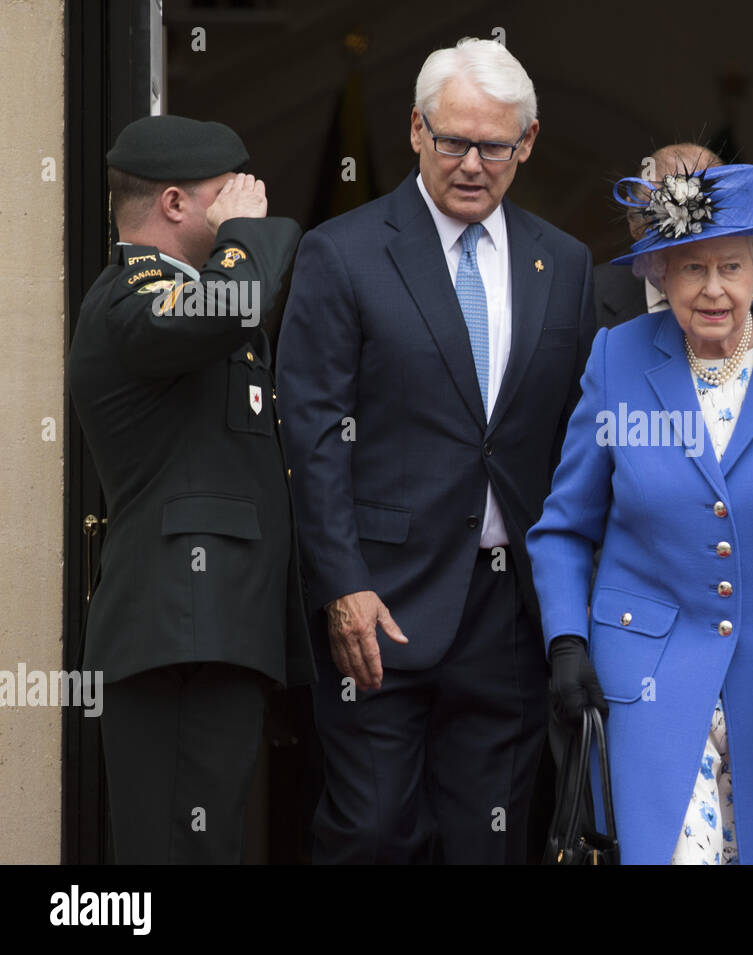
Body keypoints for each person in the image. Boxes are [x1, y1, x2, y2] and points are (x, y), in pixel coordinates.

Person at [276, 37, 596, 864]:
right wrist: (342, 585)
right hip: (379, 608)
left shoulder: (563, 263)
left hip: (509, 616)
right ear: (416, 131)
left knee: (486, 839)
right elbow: (311, 433)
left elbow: (578, 441)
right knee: (373, 833)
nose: (471, 163)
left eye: (494, 145)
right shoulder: (340, 253)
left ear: (527, 142)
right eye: (452, 140)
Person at [527, 162, 753, 864]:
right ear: (660, 274)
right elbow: (565, 527)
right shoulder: (618, 359)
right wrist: (567, 640)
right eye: (692, 268)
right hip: (646, 680)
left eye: (731, 265)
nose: (714, 288)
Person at [68, 114, 314, 864]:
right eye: (228, 190)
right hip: (182, 629)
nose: (251, 199)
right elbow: (232, 301)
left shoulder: (189, 305)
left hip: (213, 631)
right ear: (176, 205)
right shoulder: (131, 299)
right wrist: (246, 234)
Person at [595, 144, 753, 330]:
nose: (696, 236)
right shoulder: (588, 298)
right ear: (634, 225)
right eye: (667, 223)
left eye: (715, 219)